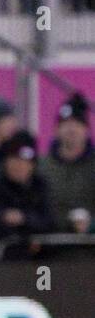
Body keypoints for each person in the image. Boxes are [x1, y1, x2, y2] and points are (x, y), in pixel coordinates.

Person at [0, 130, 55, 247]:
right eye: (14, 160)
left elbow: (49, 220)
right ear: (6, 161)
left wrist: (24, 218)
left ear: (33, 164)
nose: (19, 165)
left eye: (25, 161)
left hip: (37, 256)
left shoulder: (40, 184)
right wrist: (4, 216)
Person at [38, 93, 94, 234]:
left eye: (77, 124)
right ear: (56, 130)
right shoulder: (40, 166)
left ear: (86, 129)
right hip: (50, 247)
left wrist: (92, 225)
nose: (71, 129)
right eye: (66, 124)